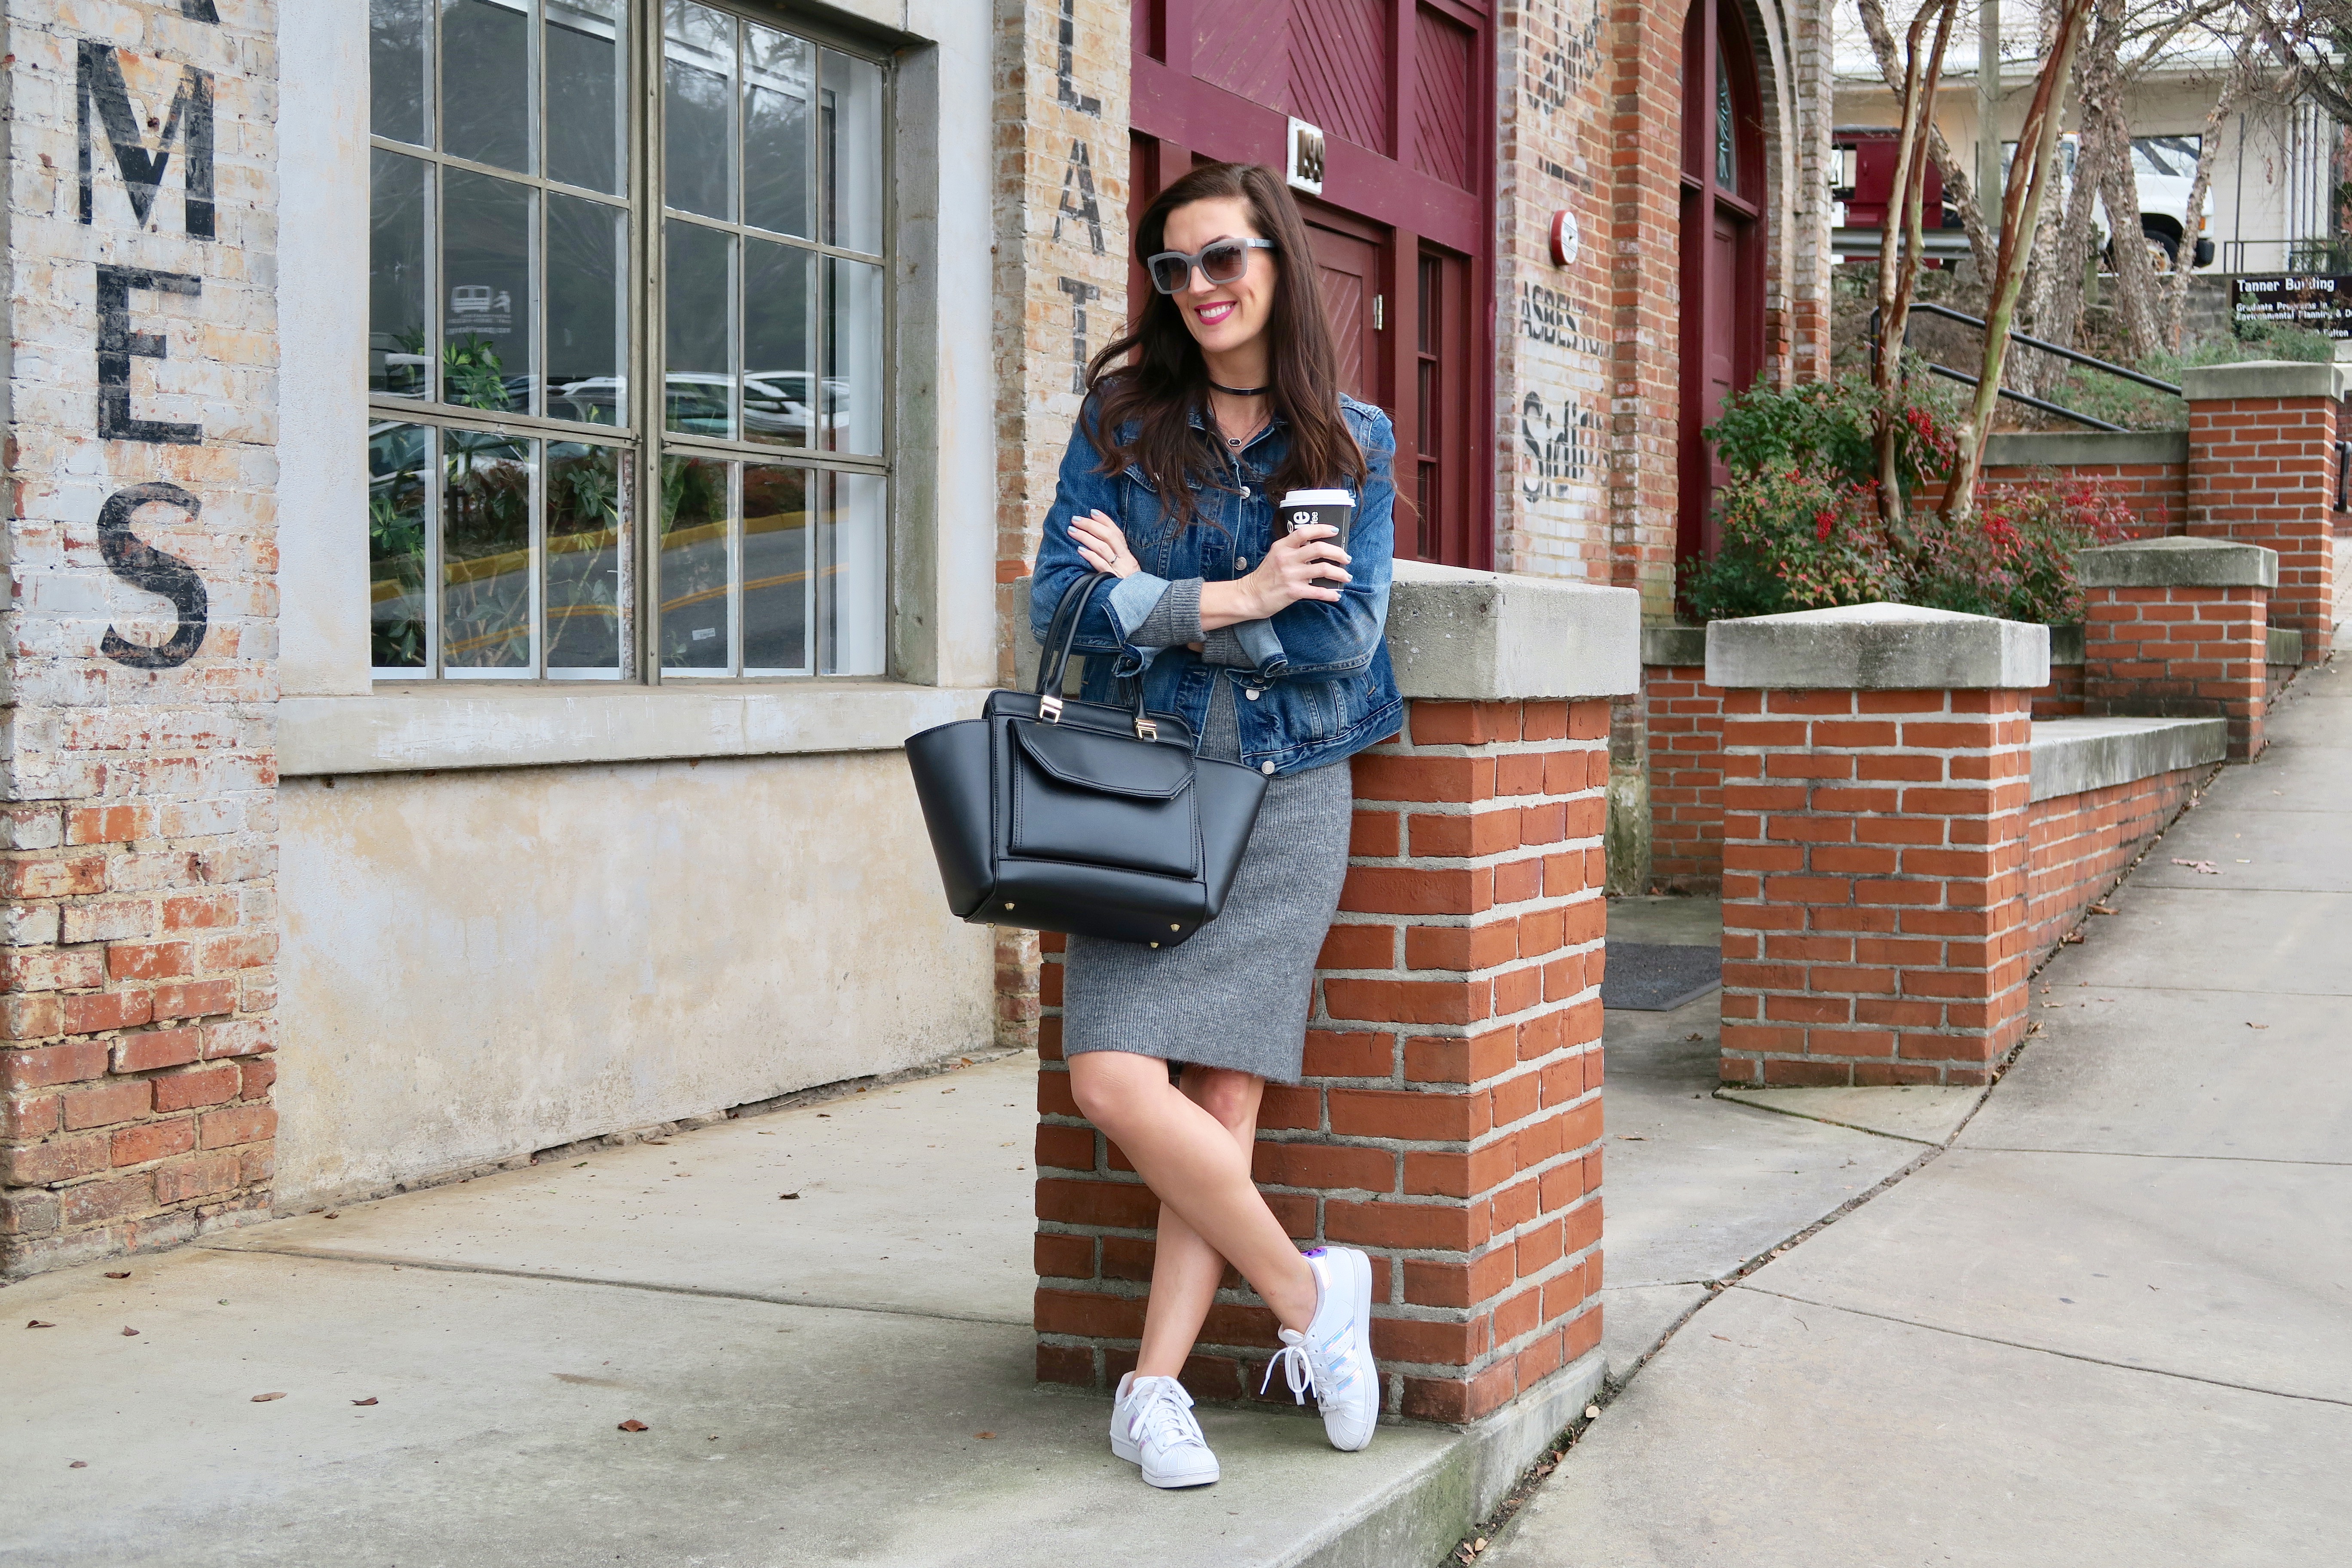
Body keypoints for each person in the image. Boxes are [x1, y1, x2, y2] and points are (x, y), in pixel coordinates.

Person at [1028, 162, 1403, 1490]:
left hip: (1295, 789)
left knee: (1227, 1090)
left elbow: (1348, 638)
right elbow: (1060, 609)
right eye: (1175, 268)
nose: (1200, 290)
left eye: (1225, 259)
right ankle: (1313, 1301)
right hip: (1144, 782)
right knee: (1115, 1079)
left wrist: (1172, 605)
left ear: (1281, 263)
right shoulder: (1126, 420)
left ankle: (1152, 1392)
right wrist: (1238, 593)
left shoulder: (1351, 441)